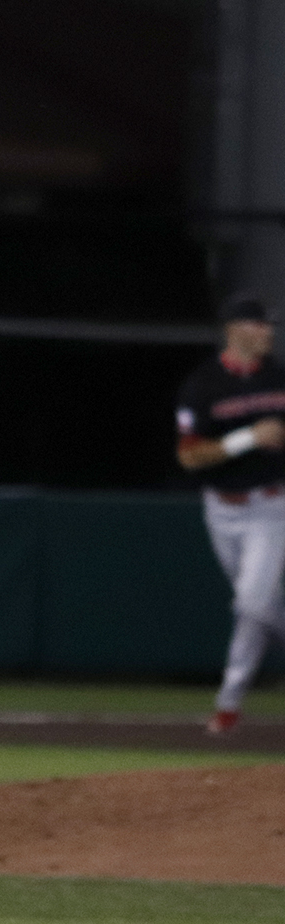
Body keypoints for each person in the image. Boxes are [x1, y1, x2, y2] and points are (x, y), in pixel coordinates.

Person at [175, 297, 285, 735]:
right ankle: (230, 705)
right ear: (235, 329)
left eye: (270, 327)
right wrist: (247, 439)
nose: (269, 333)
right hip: (222, 511)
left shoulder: (280, 378)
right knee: (258, 609)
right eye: (260, 325)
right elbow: (189, 457)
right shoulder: (203, 385)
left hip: (272, 507)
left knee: (252, 604)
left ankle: (228, 703)